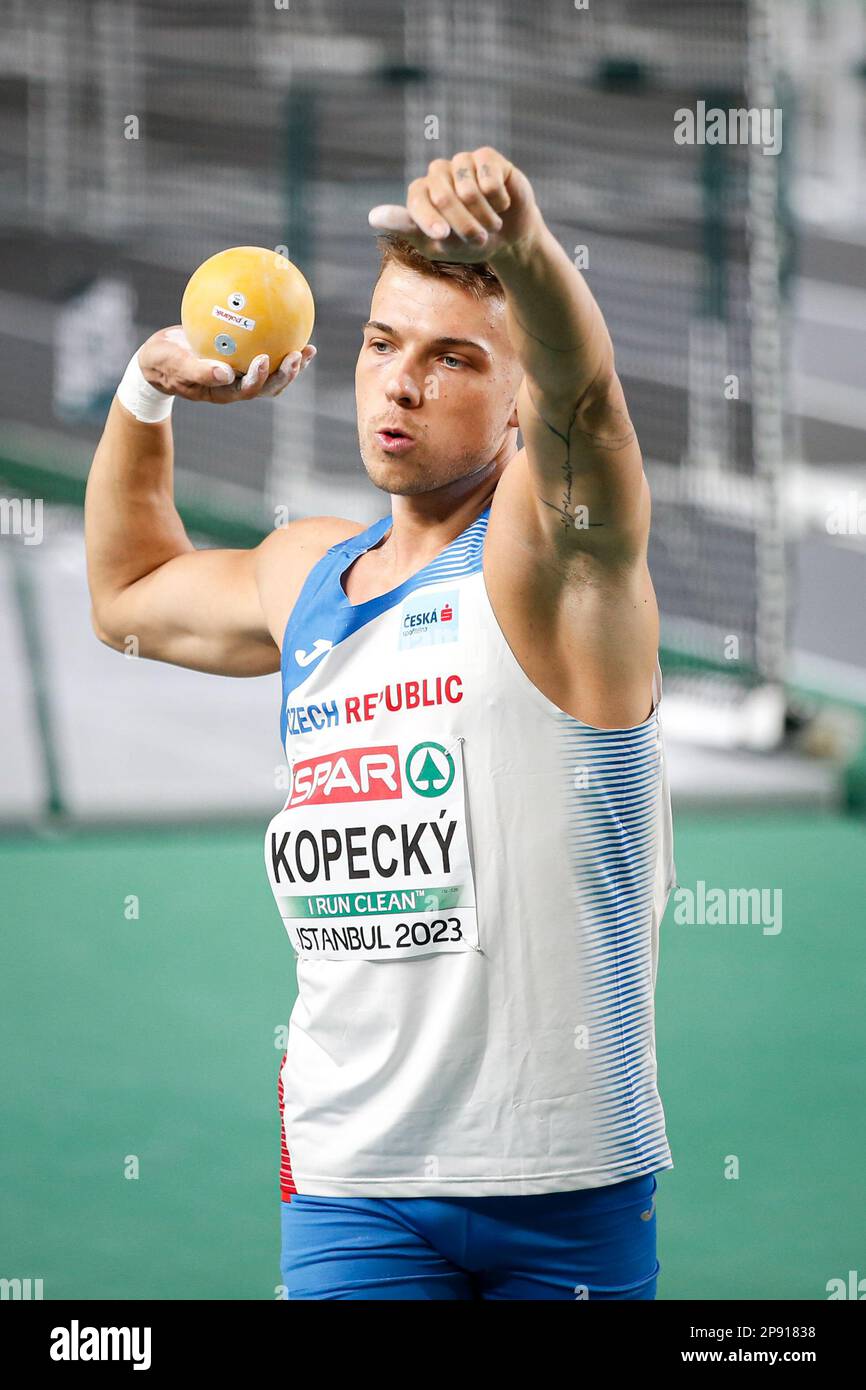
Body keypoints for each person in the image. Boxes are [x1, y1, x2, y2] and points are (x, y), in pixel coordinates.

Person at [86, 146, 675, 1300]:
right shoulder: (308, 571)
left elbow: (587, 402)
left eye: (452, 358)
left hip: (563, 1174)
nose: (398, 384)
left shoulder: (552, 564)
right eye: (379, 344)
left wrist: (524, 249)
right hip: (351, 1176)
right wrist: (146, 390)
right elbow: (127, 600)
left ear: (516, 402)